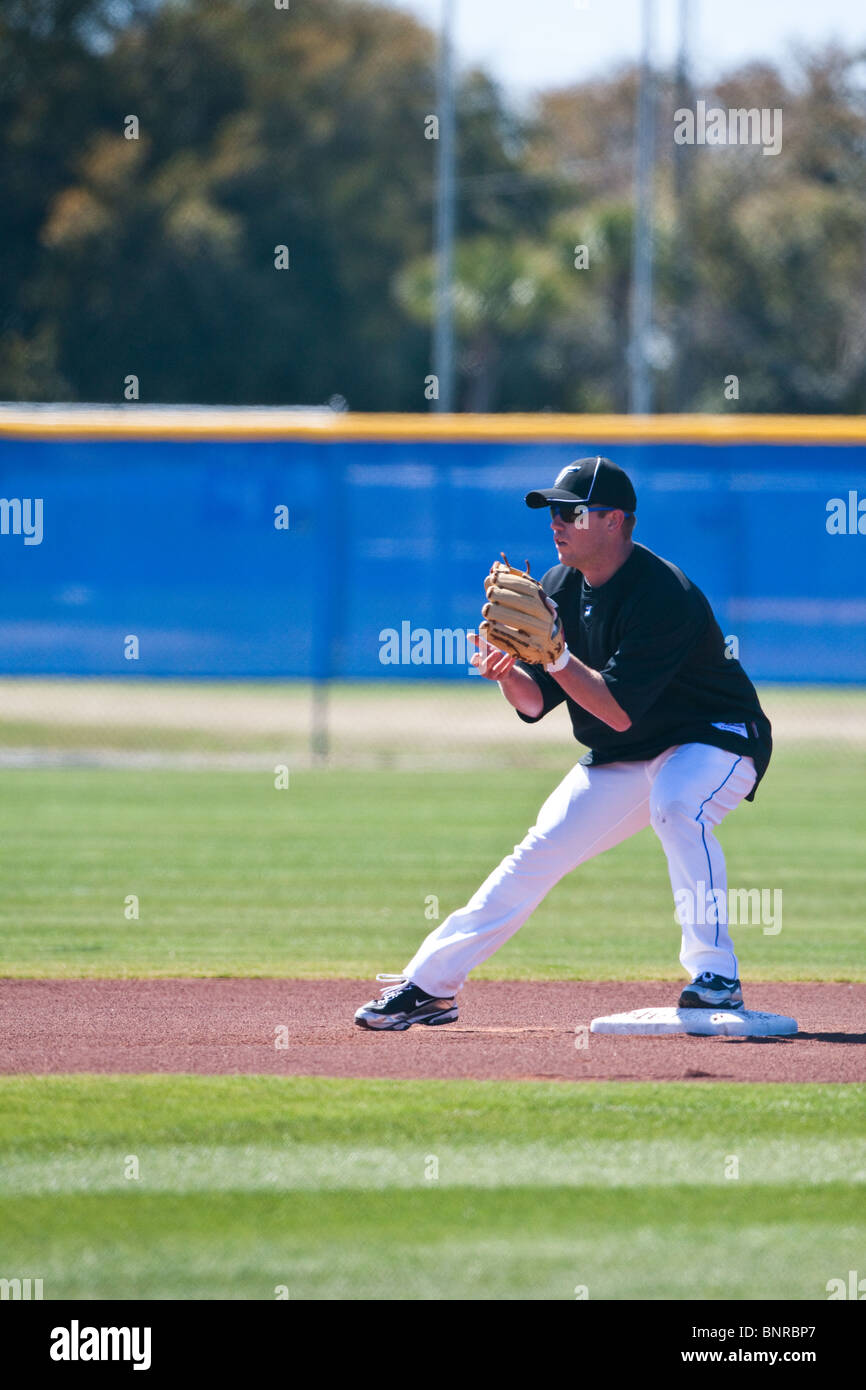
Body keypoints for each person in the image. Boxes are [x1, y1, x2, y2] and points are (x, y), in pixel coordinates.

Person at [355, 456, 772, 1032]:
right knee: (538, 851)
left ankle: (715, 977)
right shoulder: (556, 588)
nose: (556, 522)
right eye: (552, 511)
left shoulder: (663, 594)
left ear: (616, 521)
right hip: (628, 753)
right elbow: (536, 702)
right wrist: (508, 674)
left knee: (678, 805)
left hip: (715, 737)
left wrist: (556, 656)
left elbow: (617, 710)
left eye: (572, 512)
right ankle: (430, 986)